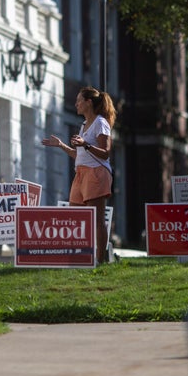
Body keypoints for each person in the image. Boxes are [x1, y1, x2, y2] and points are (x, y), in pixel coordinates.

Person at [42, 87, 116, 265]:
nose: (76, 104)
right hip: (81, 173)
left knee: (97, 219)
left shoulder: (100, 122)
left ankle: (100, 260)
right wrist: (61, 145)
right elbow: (80, 155)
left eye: (79, 100)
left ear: (88, 102)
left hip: (96, 173)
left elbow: (105, 153)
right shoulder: (84, 125)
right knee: (76, 217)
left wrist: (86, 145)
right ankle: (80, 258)